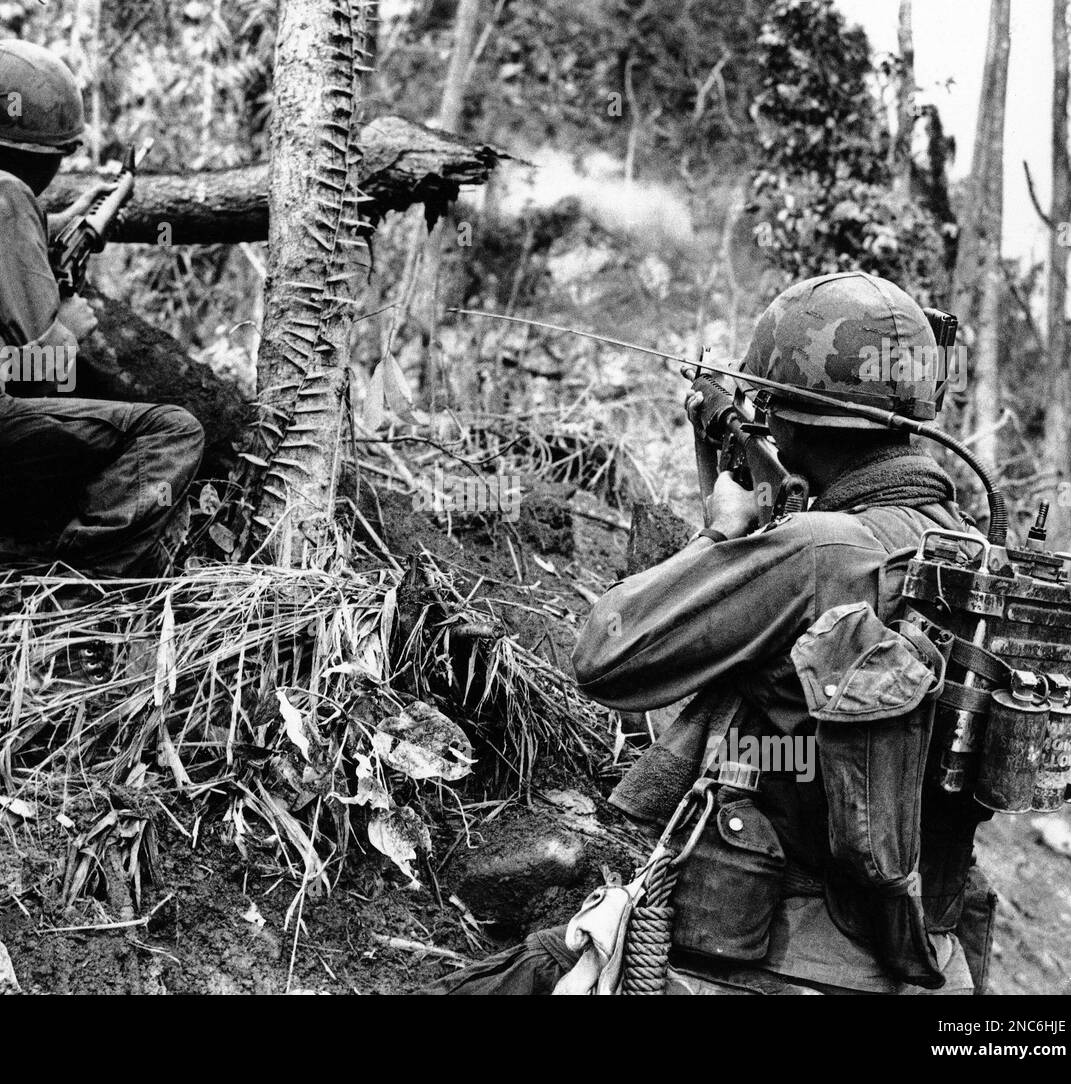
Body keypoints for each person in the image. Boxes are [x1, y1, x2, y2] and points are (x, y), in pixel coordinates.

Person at [422, 271, 996, 995]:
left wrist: (720, 533)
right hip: (927, 956)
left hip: (774, 958)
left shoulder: (817, 550)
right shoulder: (970, 553)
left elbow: (606, 656)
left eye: (769, 406)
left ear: (793, 417)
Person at [0, 39, 204, 581]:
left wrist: (59, 223)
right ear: (44, 156)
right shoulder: (1, 192)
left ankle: (3, 553)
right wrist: (67, 328)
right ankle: (78, 580)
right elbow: (44, 370)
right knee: (171, 431)